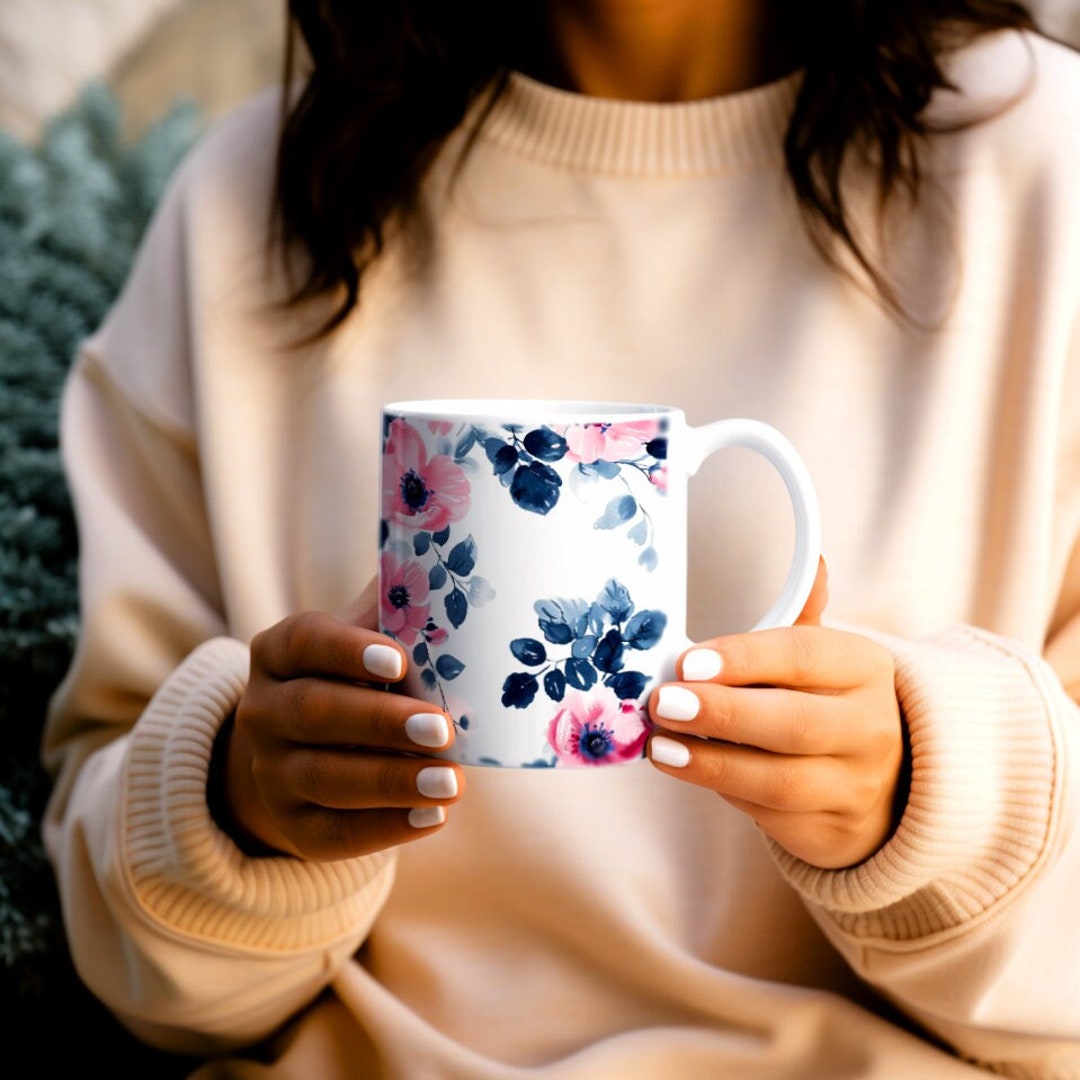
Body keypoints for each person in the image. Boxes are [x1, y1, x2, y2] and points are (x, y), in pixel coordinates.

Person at [42, 1, 1080, 1076]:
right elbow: (125, 953)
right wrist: (237, 804)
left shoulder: (1047, 170)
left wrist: (932, 796)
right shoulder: (245, 203)